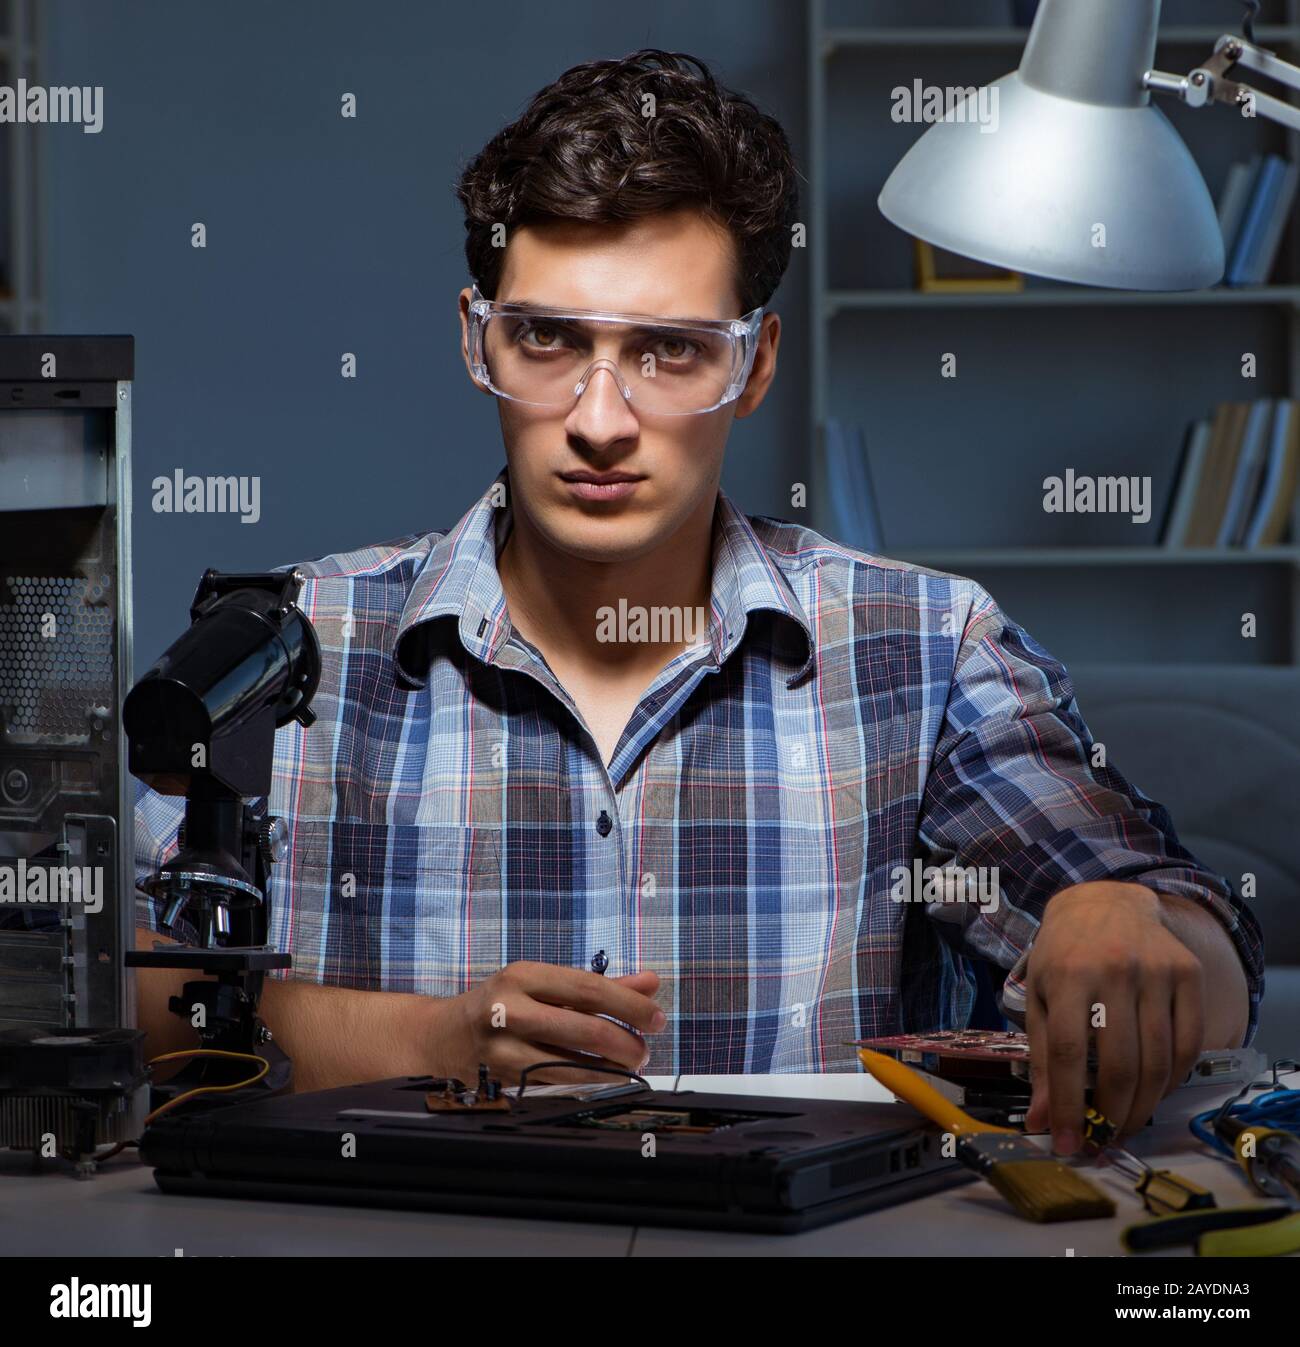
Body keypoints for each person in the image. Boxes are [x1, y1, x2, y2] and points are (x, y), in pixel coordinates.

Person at [135, 49, 1262, 1154]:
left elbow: (1210, 971)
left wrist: (1129, 921)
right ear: (474, 336)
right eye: (545, 339)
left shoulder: (918, 648)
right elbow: (104, 991)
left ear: (754, 365)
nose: (599, 419)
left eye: (669, 352)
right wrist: (425, 1040)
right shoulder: (295, 643)